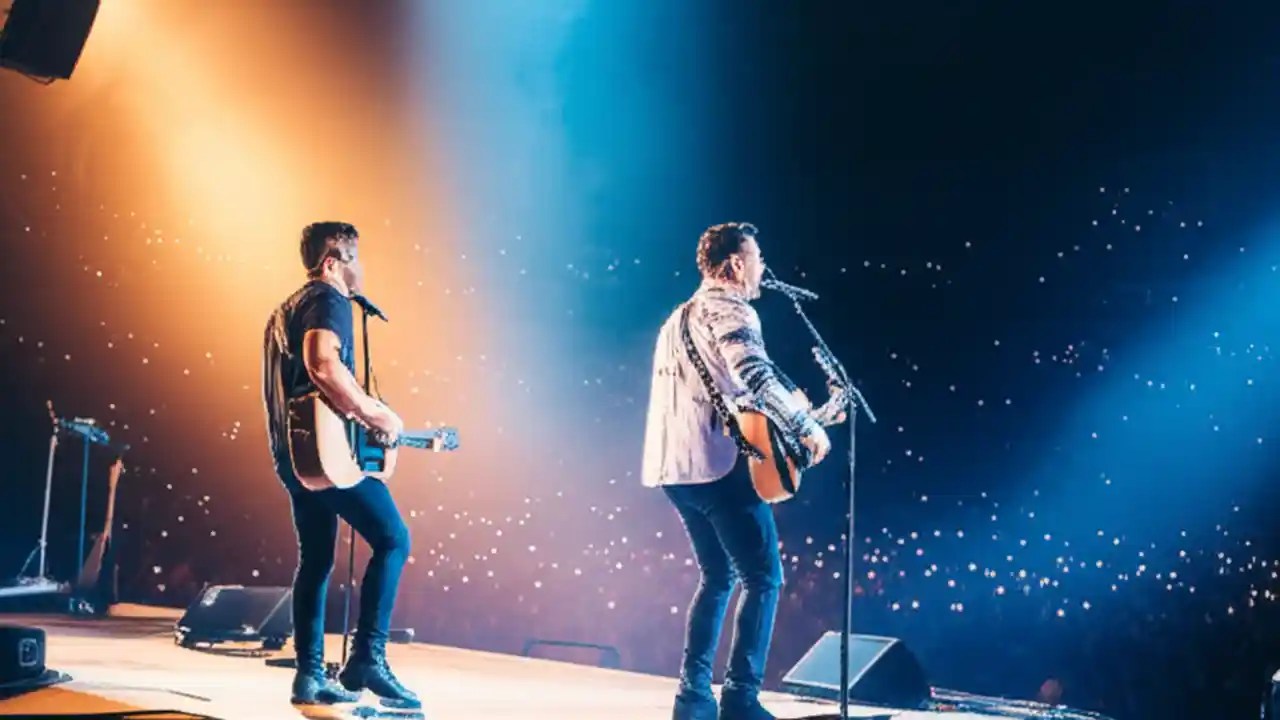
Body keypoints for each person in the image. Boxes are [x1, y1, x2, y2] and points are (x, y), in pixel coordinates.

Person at [642, 222, 833, 720]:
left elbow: (729, 391)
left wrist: (811, 415)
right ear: (735, 265)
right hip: (717, 467)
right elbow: (752, 372)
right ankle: (741, 700)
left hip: (674, 469)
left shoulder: (676, 318)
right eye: (758, 257)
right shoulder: (728, 306)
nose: (763, 268)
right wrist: (803, 426)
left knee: (718, 576)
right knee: (764, 578)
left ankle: (693, 696)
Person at [262, 222, 418, 708]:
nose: (361, 269)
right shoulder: (328, 299)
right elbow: (323, 366)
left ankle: (309, 675)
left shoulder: (281, 311)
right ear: (333, 263)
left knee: (317, 559)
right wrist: (374, 412)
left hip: (293, 454)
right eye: (355, 259)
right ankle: (367, 660)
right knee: (393, 539)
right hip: (325, 457)